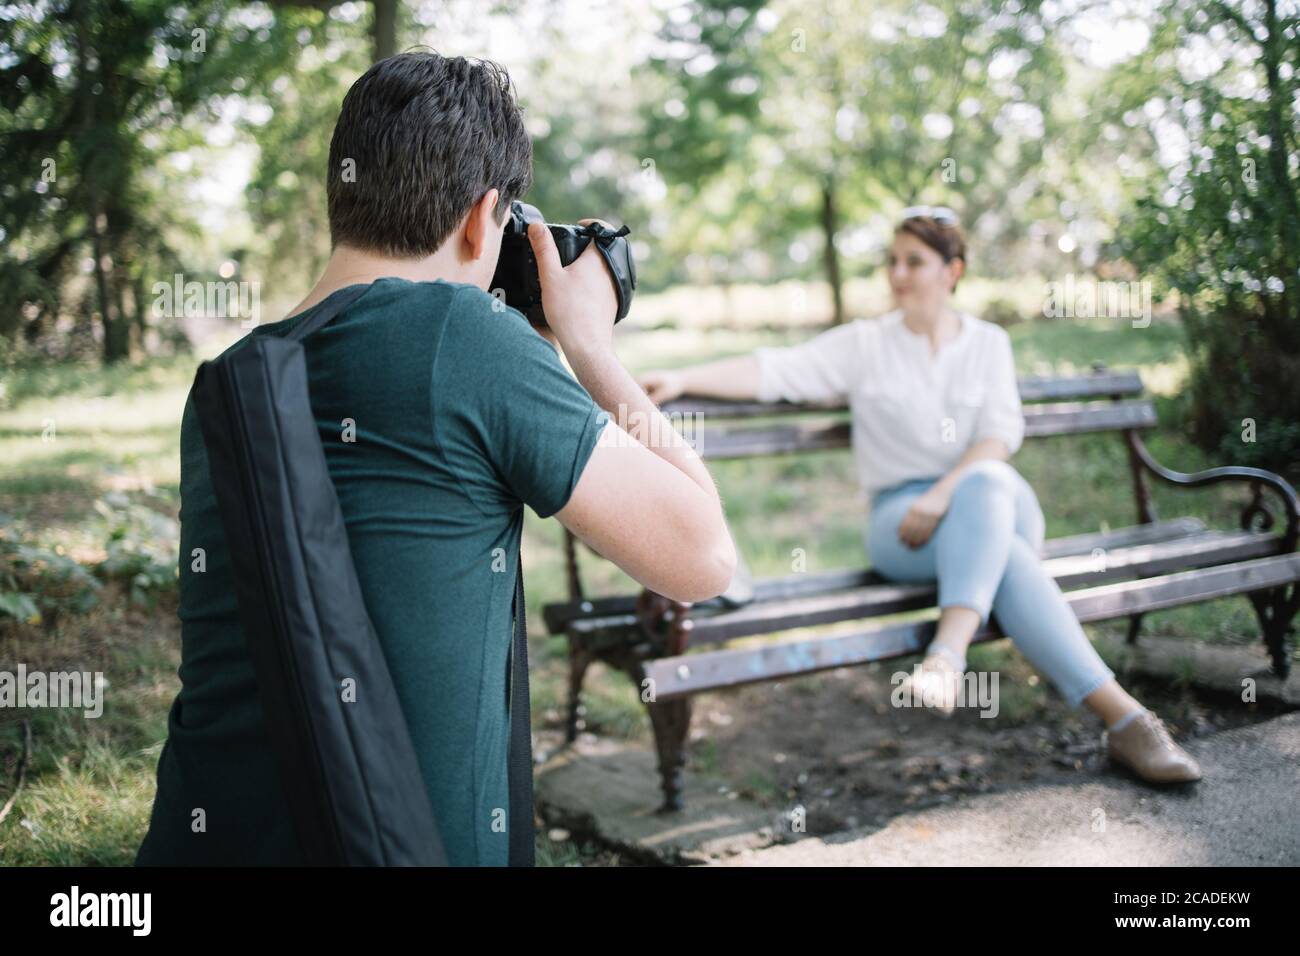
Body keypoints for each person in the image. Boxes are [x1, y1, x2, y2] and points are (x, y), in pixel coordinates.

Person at [136, 52, 736, 866]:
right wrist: (589, 346)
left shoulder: (229, 379)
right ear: (481, 216)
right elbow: (703, 560)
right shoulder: (466, 340)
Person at [638, 207, 1201, 786]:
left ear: (952, 271)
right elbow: (775, 368)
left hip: (990, 500)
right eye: (892, 261)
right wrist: (685, 378)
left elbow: (998, 438)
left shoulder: (988, 343)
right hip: (902, 526)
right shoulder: (865, 344)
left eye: (915, 262)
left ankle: (946, 657)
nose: (898, 274)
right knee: (1005, 559)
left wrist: (943, 494)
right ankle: (1129, 722)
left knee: (986, 487)